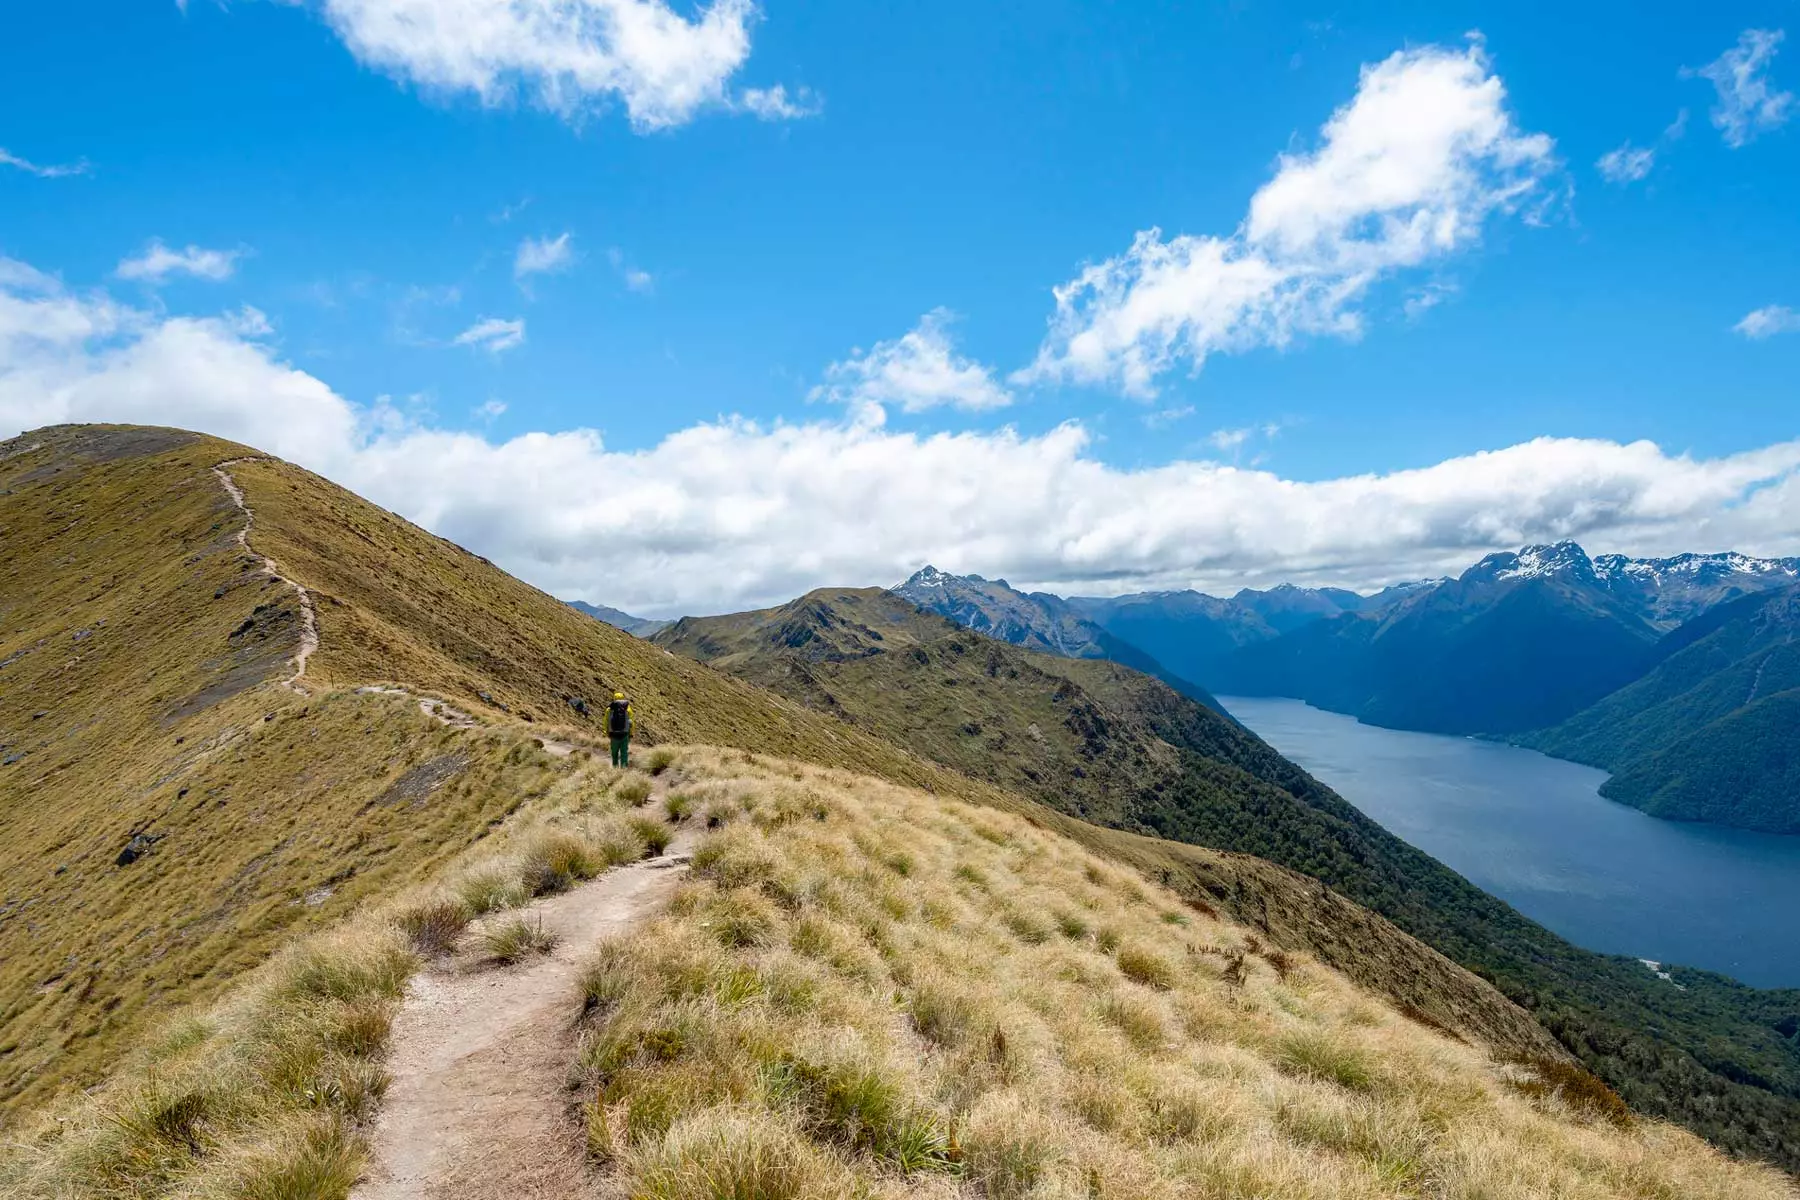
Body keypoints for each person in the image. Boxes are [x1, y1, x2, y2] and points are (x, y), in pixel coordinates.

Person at [606, 691, 633, 767]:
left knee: (614, 753)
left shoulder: (609, 709)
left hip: (613, 734)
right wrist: (631, 733)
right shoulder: (628, 709)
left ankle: (615, 768)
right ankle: (623, 769)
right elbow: (631, 722)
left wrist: (606, 732)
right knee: (624, 752)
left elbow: (606, 721)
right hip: (624, 734)